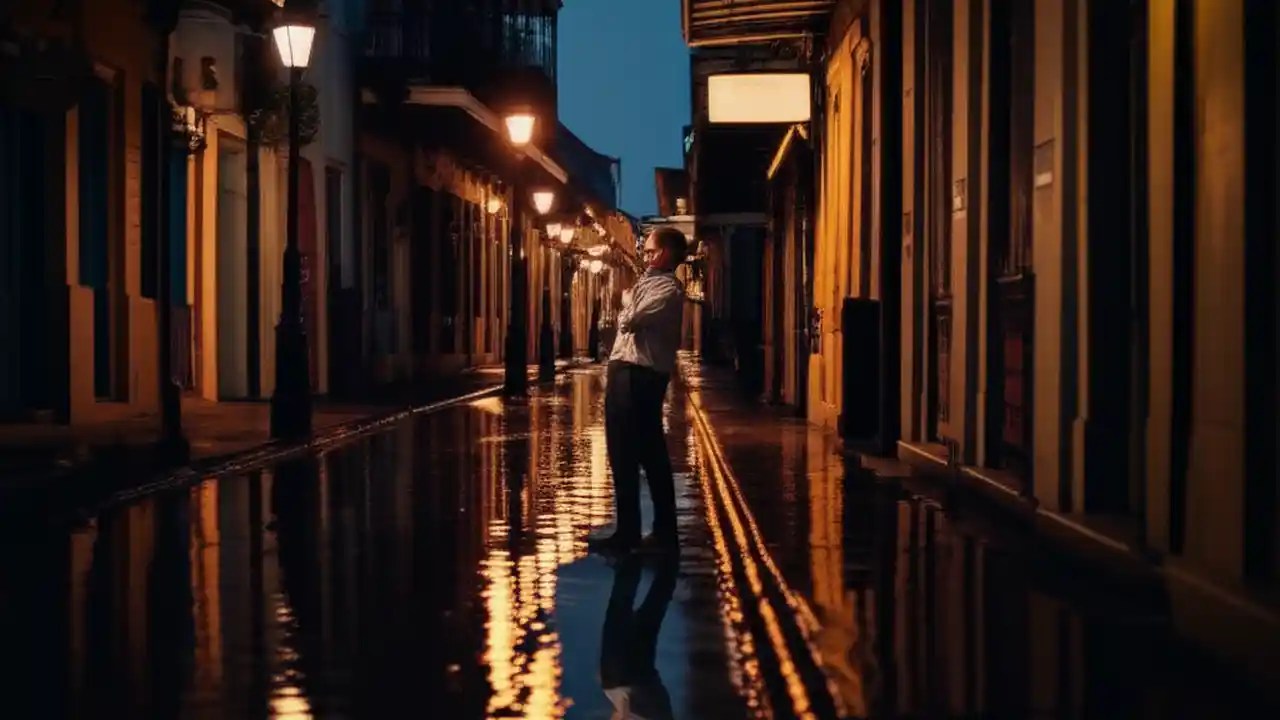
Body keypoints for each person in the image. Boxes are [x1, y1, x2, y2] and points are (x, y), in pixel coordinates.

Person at [593, 227, 687, 555]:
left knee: (650, 454)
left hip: (643, 376)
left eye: (648, 251)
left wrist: (627, 304)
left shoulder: (668, 289)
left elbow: (630, 319)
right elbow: (625, 318)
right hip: (623, 372)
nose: (645, 256)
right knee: (620, 453)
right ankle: (627, 531)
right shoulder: (645, 285)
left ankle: (664, 533)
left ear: (662, 254)